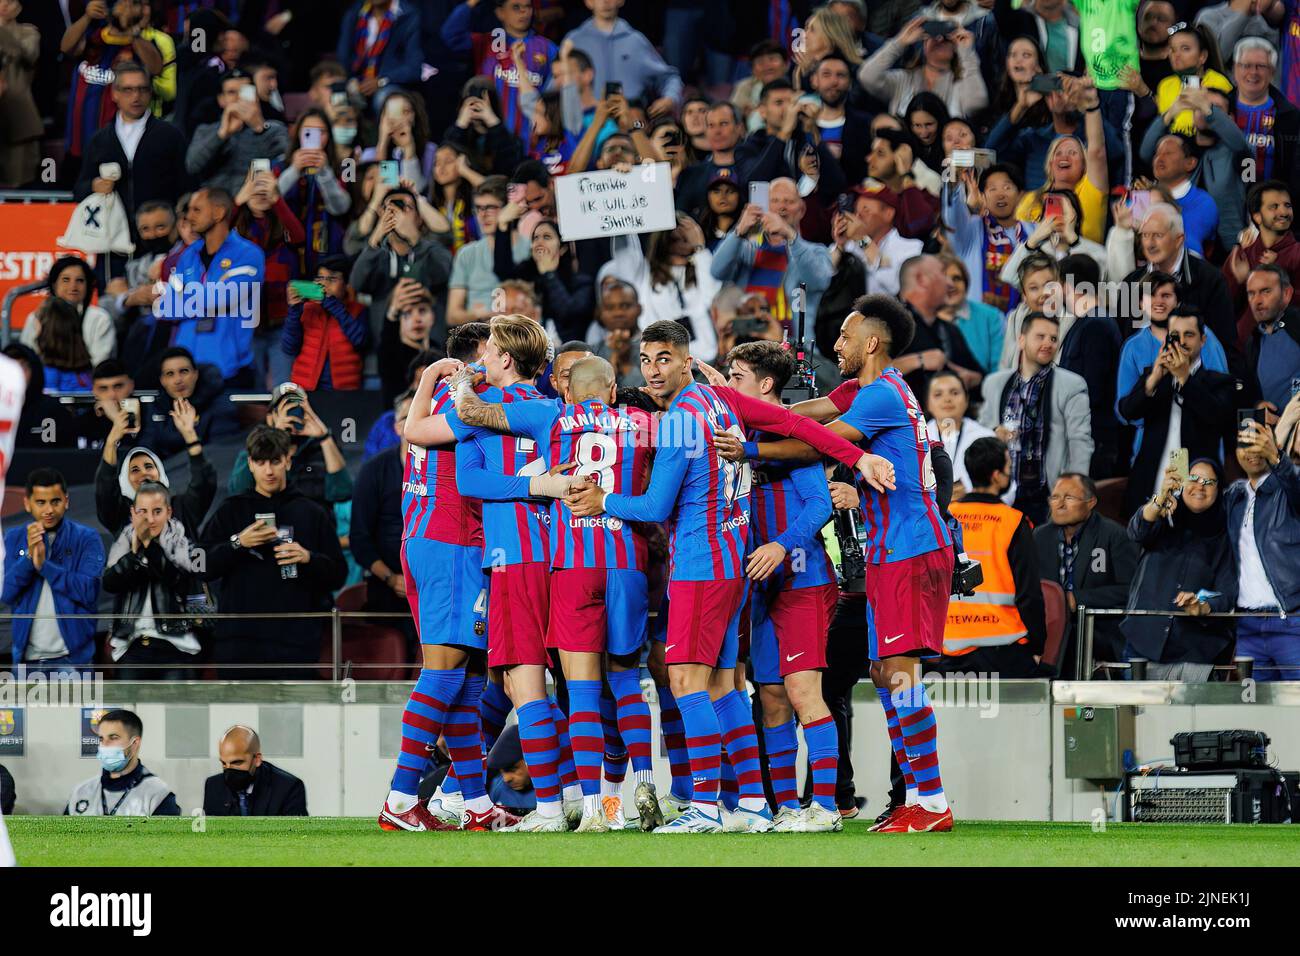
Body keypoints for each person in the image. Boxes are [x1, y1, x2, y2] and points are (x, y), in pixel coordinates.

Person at [562, 319, 880, 833]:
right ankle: (752, 804)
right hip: (735, 565)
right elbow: (798, 426)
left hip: (701, 564)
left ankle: (705, 808)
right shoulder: (722, 402)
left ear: (687, 360)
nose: (653, 369)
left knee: (686, 678)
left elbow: (653, 505)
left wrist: (603, 500)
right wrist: (858, 456)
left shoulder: (681, 420)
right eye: (645, 361)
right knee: (723, 684)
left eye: (664, 358)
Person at [451, 353, 665, 833]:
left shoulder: (552, 413)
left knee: (582, 691)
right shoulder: (641, 422)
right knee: (627, 682)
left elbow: (472, 413)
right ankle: (646, 781)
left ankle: (592, 811)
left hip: (574, 565)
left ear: (569, 391)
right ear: (612, 390)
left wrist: (464, 382)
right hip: (628, 562)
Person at [398, 315, 580, 832]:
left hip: (509, 558)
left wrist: (438, 377)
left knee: (523, 685)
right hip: (552, 554)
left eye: (490, 351)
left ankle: (550, 806)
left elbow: (463, 472)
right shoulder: (553, 410)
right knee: (494, 681)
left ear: (503, 359)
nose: (482, 361)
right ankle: (476, 797)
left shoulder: (479, 412)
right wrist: (543, 484)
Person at [717, 342, 843, 833]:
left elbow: (819, 506)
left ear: (766, 384)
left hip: (802, 576)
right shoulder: (737, 431)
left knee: (802, 690)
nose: (729, 384)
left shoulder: (791, 434)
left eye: (738, 375)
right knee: (769, 694)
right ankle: (787, 806)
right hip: (757, 582)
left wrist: (779, 544)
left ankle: (827, 808)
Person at [199, 426, 347, 679]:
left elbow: (338, 574)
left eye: (275, 461)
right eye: (261, 462)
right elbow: (201, 566)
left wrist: (308, 558)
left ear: (288, 461)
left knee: (291, 718)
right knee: (239, 719)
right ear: (250, 464)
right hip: (238, 644)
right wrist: (238, 543)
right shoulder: (230, 511)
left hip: (294, 644)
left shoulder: (311, 512)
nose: (268, 471)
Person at [1118, 308, 1240, 519]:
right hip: (1149, 489)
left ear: (1203, 340)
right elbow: (1127, 411)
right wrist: (1154, 378)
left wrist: (1185, 379)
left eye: (1189, 335)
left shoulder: (1220, 382)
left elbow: (1219, 418)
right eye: (1175, 335)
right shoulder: (1154, 376)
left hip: (1195, 493)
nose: (1181, 341)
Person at [940, 437, 1046, 677]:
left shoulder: (944, 516)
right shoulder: (1013, 521)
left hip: (947, 646)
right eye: (1008, 468)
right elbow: (1029, 593)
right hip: (1003, 648)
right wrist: (1037, 645)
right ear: (997, 475)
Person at [1122, 459, 1237, 681]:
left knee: (1194, 717)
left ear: (1219, 490)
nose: (1199, 486)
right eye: (1193, 478)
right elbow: (1137, 532)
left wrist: (1202, 602)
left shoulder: (1225, 535)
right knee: (1136, 716)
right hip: (1143, 645)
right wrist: (1159, 498)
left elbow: (1225, 592)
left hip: (1195, 653)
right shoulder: (1164, 515)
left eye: (1209, 482)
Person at [981, 313, 1093, 525]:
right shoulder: (995, 383)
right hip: (1003, 494)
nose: (1048, 344)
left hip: (1046, 494)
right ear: (1021, 340)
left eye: (1053, 338)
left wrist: (1074, 492)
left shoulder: (1072, 385)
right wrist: (993, 433)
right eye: (1040, 336)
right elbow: (981, 433)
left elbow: (1080, 440)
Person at [155, 186, 266, 389]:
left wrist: (185, 298)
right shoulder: (188, 255)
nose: (189, 216)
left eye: (197, 210)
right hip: (188, 370)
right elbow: (167, 306)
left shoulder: (249, 254)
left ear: (219, 213)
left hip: (230, 368)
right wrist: (200, 298)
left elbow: (223, 299)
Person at [1033, 473, 1140, 674]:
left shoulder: (1114, 535)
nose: (1060, 504)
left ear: (1091, 502)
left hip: (1099, 633)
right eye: (1055, 497)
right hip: (1050, 633)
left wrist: (1077, 599)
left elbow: (1131, 591)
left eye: (1069, 498)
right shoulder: (1039, 536)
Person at [1114, 203, 1239, 374]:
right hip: (1142, 386)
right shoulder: (1131, 284)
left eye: (1158, 235)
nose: (1150, 244)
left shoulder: (1210, 280)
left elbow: (1225, 344)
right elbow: (1123, 342)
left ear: (1179, 239)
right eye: (1145, 235)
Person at [72, 62, 188, 243]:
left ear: (150, 92)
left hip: (162, 238)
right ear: (114, 94)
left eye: (142, 89)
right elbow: (79, 188)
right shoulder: (99, 140)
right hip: (112, 238)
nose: (136, 96)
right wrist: (94, 186)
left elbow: (186, 184)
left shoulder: (170, 135)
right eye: (128, 90)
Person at [2, 468, 104, 673]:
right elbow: (6, 593)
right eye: (41, 502)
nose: (48, 510)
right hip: (27, 663)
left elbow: (89, 591)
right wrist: (29, 559)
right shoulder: (13, 538)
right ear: (27, 503)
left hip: (73, 662)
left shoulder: (87, 538)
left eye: (55, 501)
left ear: (66, 501)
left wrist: (45, 567)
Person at [711, 178, 833, 341]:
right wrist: (739, 230)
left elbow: (820, 281)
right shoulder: (746, 250)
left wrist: (790, 235)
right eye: (775, 200)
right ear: (765, 207)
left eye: (789, 201)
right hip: (746, 345)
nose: (782, 207)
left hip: (792, 349)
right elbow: (716, 271)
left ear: (801, 209)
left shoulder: (815, 251)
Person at [101, 481, 202, 679]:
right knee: (128, 710)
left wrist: (149, 546)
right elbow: (109, 583)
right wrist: (134, 555)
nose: (150, 519)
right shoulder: (124, 543)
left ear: (169, 512)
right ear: (133, 513)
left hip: (176, 647)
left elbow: (180, 582)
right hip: (132, 645)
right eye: (143, 512)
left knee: (175, 710)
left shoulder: (182, 543)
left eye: (157, 511)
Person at [1224, 418, 1300, 681]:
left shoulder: (1289, 487)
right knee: (1255, 712)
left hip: (1291, 622)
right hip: (1248, 628)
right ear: (1235, 452)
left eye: (1259, 444)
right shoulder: (1233, 496)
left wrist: (1278, 458)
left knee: (1296, 708)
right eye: (1245, 444)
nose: (1252, 451)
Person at [601, 213, 721, 363]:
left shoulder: (700, 267)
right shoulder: (645, 274)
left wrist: (700, 249)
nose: (684, 244)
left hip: (703, 363)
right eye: (676, 239)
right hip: (661, 363)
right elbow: (624, 252)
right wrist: (622, 216)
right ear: (664, 241)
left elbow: (712, 297)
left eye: (688, 238)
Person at [351, 184, 453, 341]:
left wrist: (414, 239)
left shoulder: (430, 250)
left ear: (419, 219)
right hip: (385, 348)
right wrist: (374, 240)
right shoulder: (376, 254)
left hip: (429, 349)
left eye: (406, 208)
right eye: (391, 209)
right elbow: (357, 283)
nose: (398, 214)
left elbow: (443, 273)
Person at [227, 384, 353, 510]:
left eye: (297, 409)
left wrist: (324, 437)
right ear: (270, 418)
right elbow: (238, 492)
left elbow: (343, 493)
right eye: (285, 409)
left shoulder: (321, 448)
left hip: (314, 521)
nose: (292, 416)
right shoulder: (257, 449)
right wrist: (275, 436)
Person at [1056, 254, 1123, 478]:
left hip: (1095, 442)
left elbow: (1091, 390)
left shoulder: (1097, 325)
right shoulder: (1088, 322)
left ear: (1066, 285)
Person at [561, 0, 683, 116]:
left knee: (645, 127)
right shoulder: (574, 41)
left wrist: (669, 99)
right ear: (588, 2)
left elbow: (669, 77)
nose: (605, 1)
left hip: (633, 122)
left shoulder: (635, 41)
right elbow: (556, 82)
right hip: (587, 124)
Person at [857, 15, 988, 118]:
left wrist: (966, 53)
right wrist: (899, 42)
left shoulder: (961, 83)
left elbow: (976, 104)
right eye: (933, 37)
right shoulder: (903, 79)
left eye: (947, 39)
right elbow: (866, 77)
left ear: (955, 48)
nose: (940, 40)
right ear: (924, 45)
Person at [185, 70, 290, 198]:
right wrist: (221, 135)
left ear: (255, 96)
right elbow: (192, 166)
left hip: (254, 202)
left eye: (244, 91)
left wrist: (259, 128)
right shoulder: (206, 130)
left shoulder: (274, 129)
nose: (238, 98)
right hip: (213, 205)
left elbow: (285, 164)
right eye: (231, 92)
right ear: (221, 100)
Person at [944, 163, 1032, 314]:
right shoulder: (970, 230)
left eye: (1007, 187)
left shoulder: (1034, 231)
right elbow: (952, 216)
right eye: (992, 189)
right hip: (977, 328)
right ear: (982, 197)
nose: (1000, 194)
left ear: (1020, 195)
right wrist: (953, 180)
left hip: (1022, 327)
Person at [892, 255, 982, 400]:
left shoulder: (949, 330)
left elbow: (979, 377)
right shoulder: (881, 318)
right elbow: (862, 377)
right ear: (922, 280)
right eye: (943, 274)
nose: (949, 284)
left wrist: (969, 379)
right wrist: (917, 361)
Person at [65, 710, 179, 816]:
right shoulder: (81, 792)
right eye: (101, 739)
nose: (105, 745)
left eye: (113, 738)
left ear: (134, 743)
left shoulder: (157, 795)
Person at [281, 254, 370, 391]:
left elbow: (361, 341)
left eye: (332, 278)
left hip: (345, 391)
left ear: (346, 284)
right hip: (305, 390)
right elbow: (289, 348)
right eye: (320, 278)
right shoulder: (306, 309)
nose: (324, 283)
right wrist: (294, 310)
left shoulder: (357, 310)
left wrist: (333, 305)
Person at [20, 256, 115, 368]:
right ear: (54, 284)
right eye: (66, 280)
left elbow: (100, 363)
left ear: (88, 285)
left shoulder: (100, 318)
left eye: (80, 280)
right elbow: (28, 360)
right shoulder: (36, 317)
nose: (73, 286)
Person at [147, 347, 241, 457]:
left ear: (195, 374)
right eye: (170, 374)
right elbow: (146, 449)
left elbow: (220, 456)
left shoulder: (220, 406)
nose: (178, 380)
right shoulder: (156, 407)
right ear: (162, 380)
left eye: (184, 371)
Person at [835, 183, 923, 299]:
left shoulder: (911, 248)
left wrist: (863, 241)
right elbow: (822, 277)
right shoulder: (851, 245)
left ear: (888, 214)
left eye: (866, 210)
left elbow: (896, 287)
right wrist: (840, 246)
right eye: (856, 210)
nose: (858, 216)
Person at [203, 725, 308, 816]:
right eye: (224, 764)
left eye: (237, 763)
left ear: (257, 759)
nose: (229, 770)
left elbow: (297, 836)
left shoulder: (288, 788)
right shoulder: (213, 786)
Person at [335, 0, 423, 109]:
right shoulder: (355, 12)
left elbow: (414, 68)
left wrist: (381, 81)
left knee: (384, 98)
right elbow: (343, 56)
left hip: (389, 83)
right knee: (335, 97)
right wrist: (350, 80)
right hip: (356, 80)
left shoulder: (409, 15)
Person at [925, 369, 997, 501]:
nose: (947, 399)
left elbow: (1005, 486)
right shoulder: (914, 439)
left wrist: (971, 493)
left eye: (954, 393)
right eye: (938, 394)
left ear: (967, 399)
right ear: (928, 403)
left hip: (975, 514)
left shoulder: (986, 437)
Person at [1242, 264, 1300, 417]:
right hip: (1269, 435)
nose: (1257, 301)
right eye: (1251, 294)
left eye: (1265, 291)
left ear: (1286, 293)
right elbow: (1247, 392)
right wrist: (1257, 405)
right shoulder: (1251, 342)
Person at [937, 251, 1005, 375]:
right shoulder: (922, 318)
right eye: (943, 279)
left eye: (956, 278)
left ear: (966, 282)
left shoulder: (990, 317)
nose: (951, 285)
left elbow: (999, 369)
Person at [0, 0, 41, 188]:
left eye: (9, 1)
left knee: (17, 181)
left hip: (17, 114)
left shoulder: (28, 32)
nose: (4, 5)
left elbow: (28, 54)